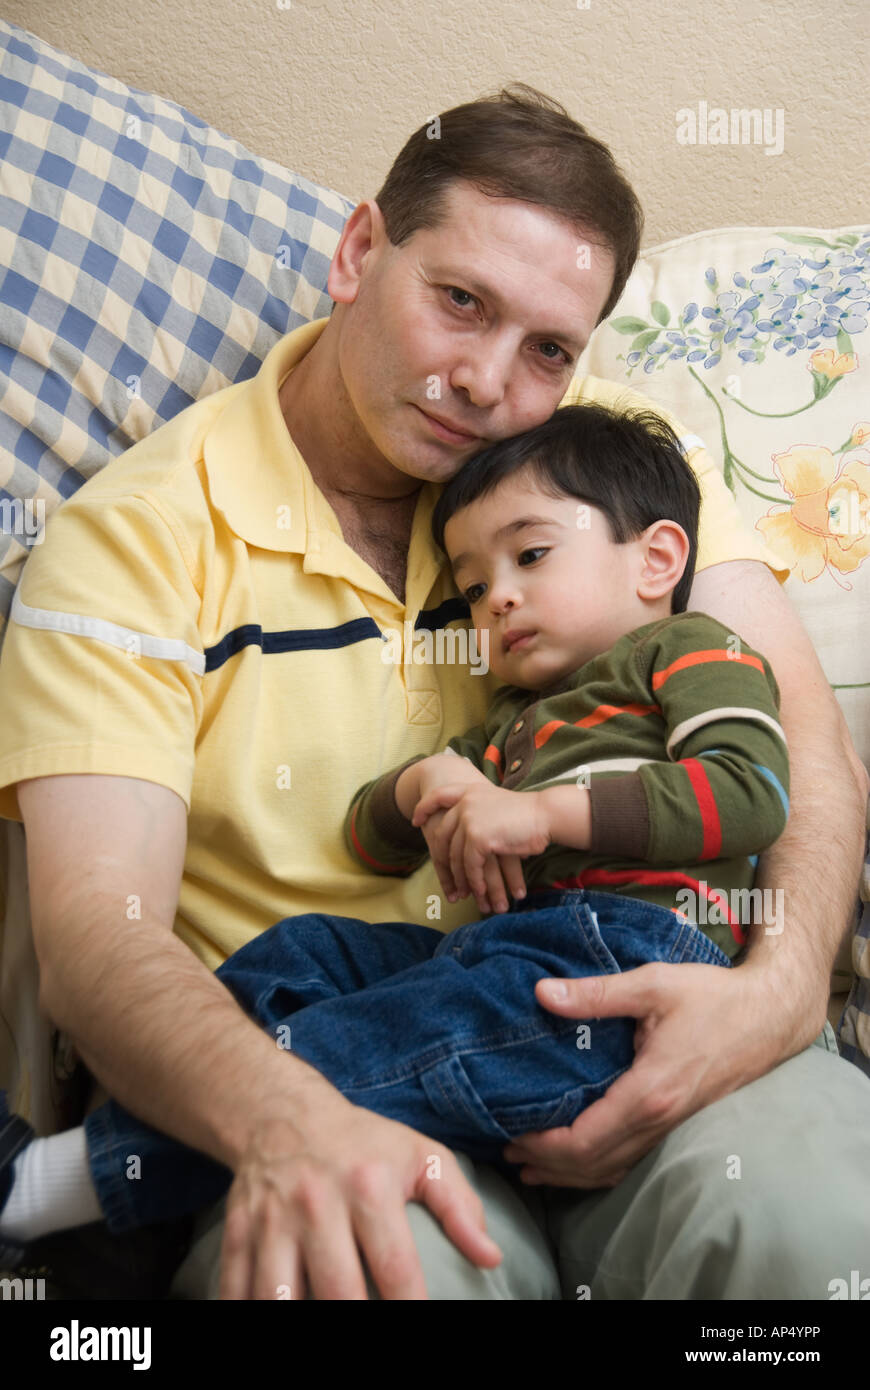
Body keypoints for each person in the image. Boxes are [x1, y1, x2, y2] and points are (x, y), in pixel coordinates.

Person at [0, 84, 867, 1302]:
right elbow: (100, 936)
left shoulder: (603, 472)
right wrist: (284, 1121)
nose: (488, 383)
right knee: (382, 1272)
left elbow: (804, 754)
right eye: (460, 302)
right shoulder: (134, 537)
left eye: (549, 348)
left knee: (821, 1221)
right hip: (330, 1077)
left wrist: (774, 996)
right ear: (360, 252)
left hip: (667, 999)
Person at [0, 400, 791, 1251]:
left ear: (657, 558)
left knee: (394, 1039)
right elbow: (370, 845)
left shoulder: (693, 649)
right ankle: (166, 1133)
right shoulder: (519, 721)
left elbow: (749, 793)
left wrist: (540, 814)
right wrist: (423, 784)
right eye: (475, 587)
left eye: (530, 555)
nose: (499, 600)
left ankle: (67, 1184)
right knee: (302, 954)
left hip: (632, 967)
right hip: (509, 951)